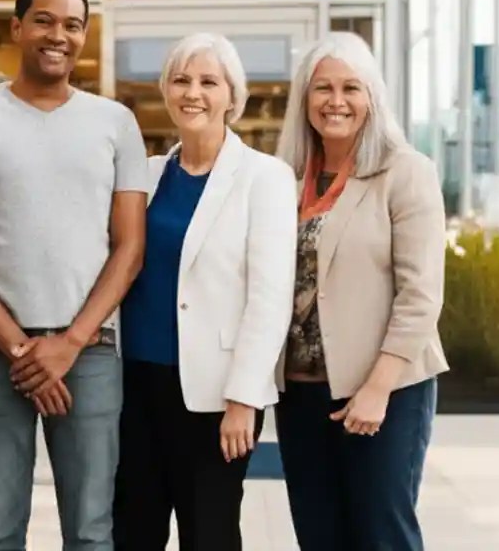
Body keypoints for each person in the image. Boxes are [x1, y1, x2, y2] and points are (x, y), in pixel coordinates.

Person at [0, 0, 150, 550]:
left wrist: (69, 344)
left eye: (73, 25)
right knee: (0, 532)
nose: (59, 35)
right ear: (18, 28)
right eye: (45, 21)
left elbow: (129, 249)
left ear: (84, 37)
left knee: (91, 533)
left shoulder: (115, 123)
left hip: (90, 355)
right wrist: (23, 351)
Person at [112, 33, 296, 550]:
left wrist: (243, 398)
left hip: (216, 397)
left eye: (208, 81)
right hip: (135, 387)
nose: (193, 92)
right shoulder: (145, 177)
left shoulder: (265, 178)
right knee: (132, 531)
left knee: (209, 535)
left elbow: (269, 296)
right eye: (182, 80)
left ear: (232, 97)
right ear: (166, 91)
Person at [273, 31, 448, 551]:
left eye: (351, 87)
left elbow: (421, 295)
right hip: (302, 391)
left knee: (380, 534)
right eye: (322, 87)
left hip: (384, 389)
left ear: (372, 96)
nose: (336, 101)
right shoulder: (283, 177)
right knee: (318, 535)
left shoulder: (406, 172)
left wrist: (378, 387)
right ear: (304, 100)